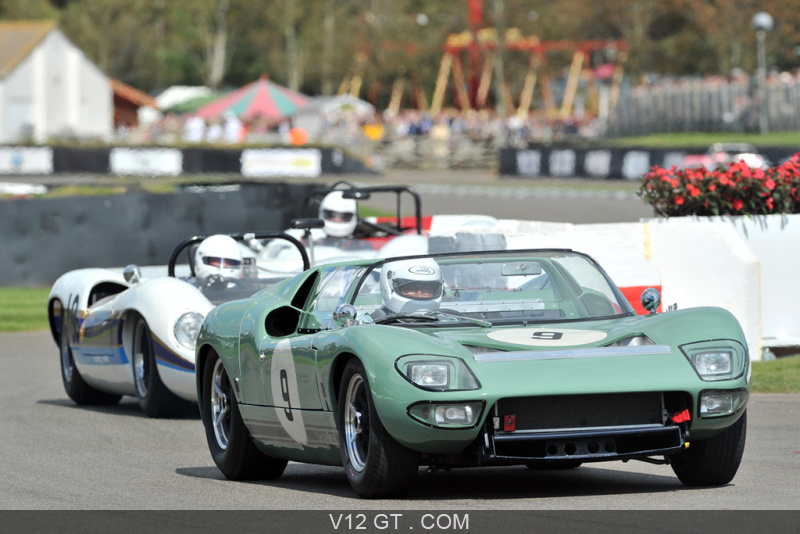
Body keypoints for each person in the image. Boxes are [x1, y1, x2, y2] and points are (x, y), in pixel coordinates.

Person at [377, 257, 443, 316]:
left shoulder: (445, 321)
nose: (419, 295)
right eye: (411, 289)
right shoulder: (376, 323)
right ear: (388, 287)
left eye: (426, 289)